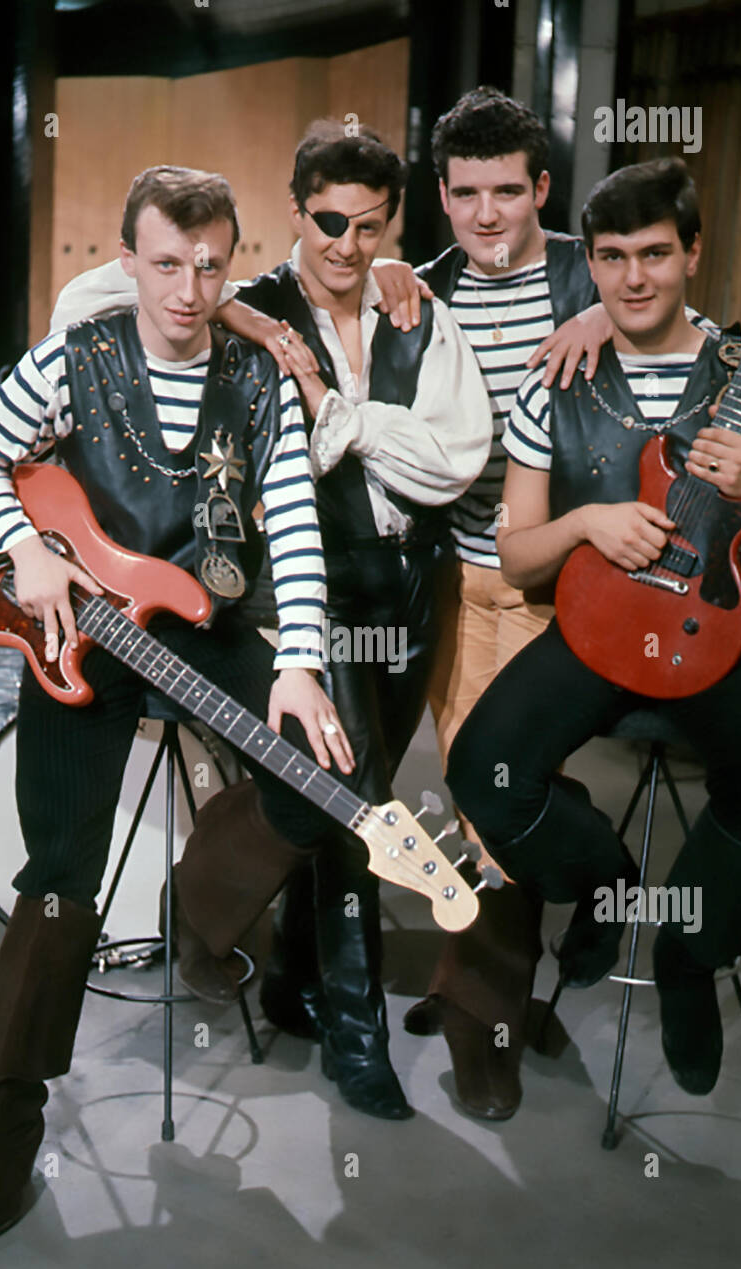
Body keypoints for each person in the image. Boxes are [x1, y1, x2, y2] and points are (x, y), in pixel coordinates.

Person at [0, 165, 357, 1241]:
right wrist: (22, 544)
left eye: (210, 265)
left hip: (199, 629)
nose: (187, 288)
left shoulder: (258, 383)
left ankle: (195, 917)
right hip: (82, 634)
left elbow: (295, 528)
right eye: (166, 263)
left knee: (319, 789)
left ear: (231, 261)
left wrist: (301, 660)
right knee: (57, 880)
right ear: (126, 260)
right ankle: (7, 1124)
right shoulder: (74, 360)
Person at [446, 156, 741, 1101]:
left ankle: (691, 956)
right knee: (481, 770)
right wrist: (585, 524)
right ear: (593, 263)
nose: (634, 278)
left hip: (724, 632)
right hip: (599, 630)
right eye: (611, 257)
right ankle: (606, 882)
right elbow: (520, 555)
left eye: (655, 253)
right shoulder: (557, 381)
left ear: (693, 252)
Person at [223, 121, 491, 1120]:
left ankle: (294, 980)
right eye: (327, 219)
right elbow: (118, 295)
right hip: (306, 589)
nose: (344, 241)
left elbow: (457, 459)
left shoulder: (415, 309)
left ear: (391, 221)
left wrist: (351, 426)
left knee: (352, 795)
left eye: (367, 224)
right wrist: (234, 313)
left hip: (410, 589)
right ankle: (354, 1034)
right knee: (359, 805)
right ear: (295, 211)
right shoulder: (250, 308)